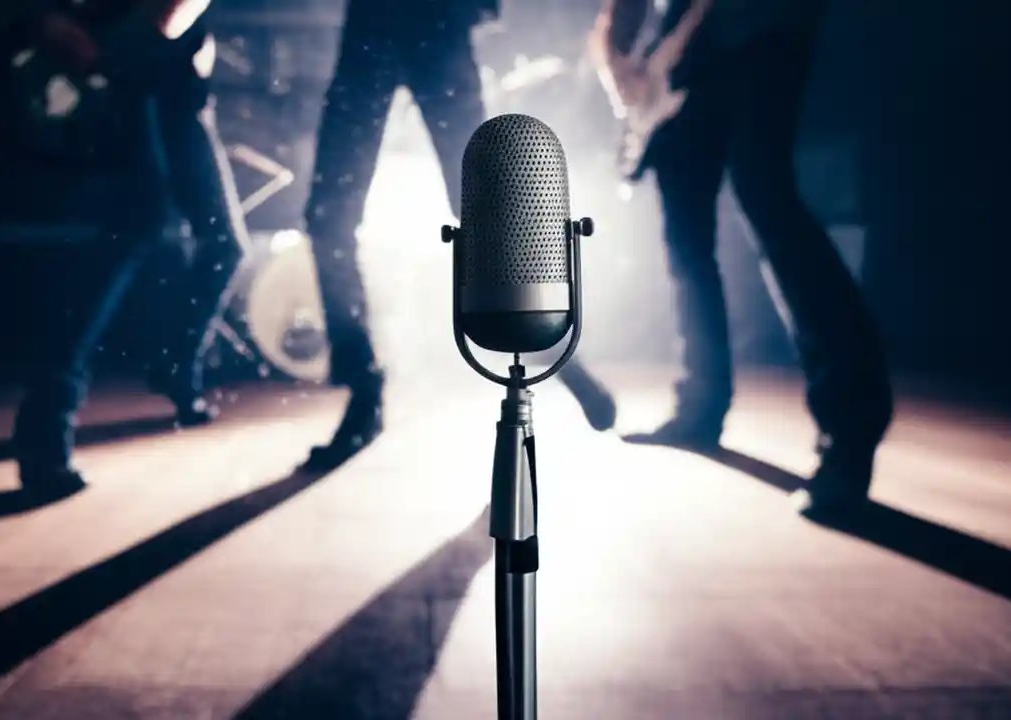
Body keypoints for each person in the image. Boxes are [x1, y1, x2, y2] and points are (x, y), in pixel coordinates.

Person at [592, 0, 892, 515]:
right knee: (686, 240)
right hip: (685, 64)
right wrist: (616, 60)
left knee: (769, 205)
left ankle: (849, 428)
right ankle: (699, 406)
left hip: (758, 27)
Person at [303, 0, 617, 471]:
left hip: (414, 23)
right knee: (469, 212)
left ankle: (366, 390)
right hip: (423, 24)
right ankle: (549, 345)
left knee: (341, 217)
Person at [0, 0, 249, 493]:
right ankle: (45, 430)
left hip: (177, 90)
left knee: (223, 244)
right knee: (129, 237)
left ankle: (176, 367)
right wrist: (56, 26)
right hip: (126, 80)